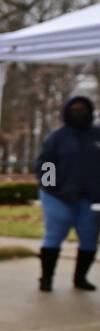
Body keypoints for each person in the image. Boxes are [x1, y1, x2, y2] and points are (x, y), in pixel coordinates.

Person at [33, 95, 100, 291]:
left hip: (90, 199)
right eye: (75, 109)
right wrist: (52, 188)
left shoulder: (97, 136)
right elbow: (45, 164)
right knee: (54, 235)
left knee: (89, 238)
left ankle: (80, 278)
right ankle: (46, 279)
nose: (79, 113)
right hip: (59, 197)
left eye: (83, 109)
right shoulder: (57, 138)